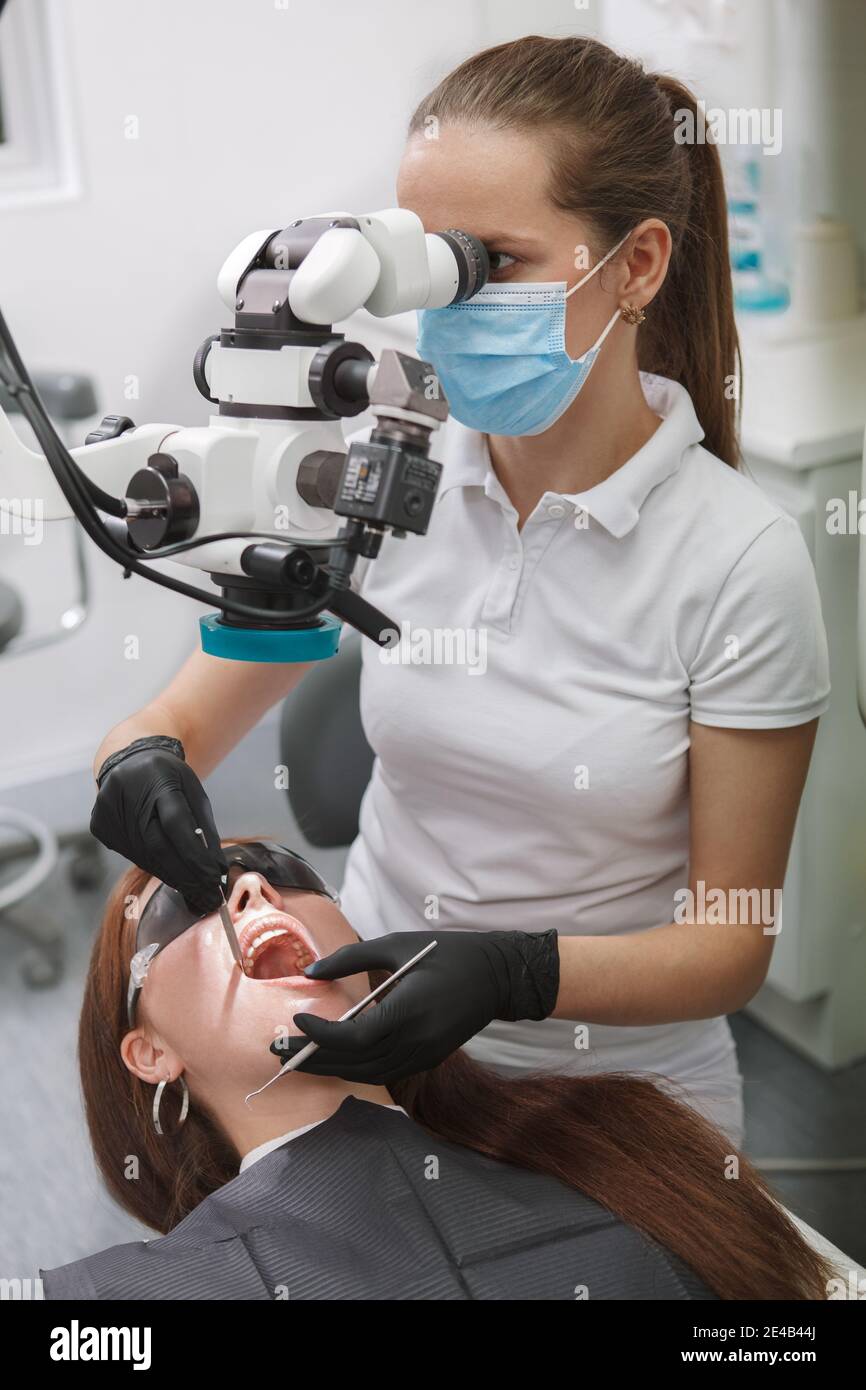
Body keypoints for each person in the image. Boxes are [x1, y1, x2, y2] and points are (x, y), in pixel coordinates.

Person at [89, 35, 830, 1147]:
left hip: (617, 1091)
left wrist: (513, 974)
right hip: (365, 1033)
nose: (451, 303)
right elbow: (180, 720)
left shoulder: (739, 561)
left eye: (495, 262)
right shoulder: (380, 479)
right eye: (432, 261)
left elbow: (728, 946)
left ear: (632, 266)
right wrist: (136, 760)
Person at [41, 843, 831, 1300]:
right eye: (186, 899)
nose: (251, 887)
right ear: (150, 1052)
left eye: (283, 868)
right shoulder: (118, 1304)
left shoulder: (627, 1151)